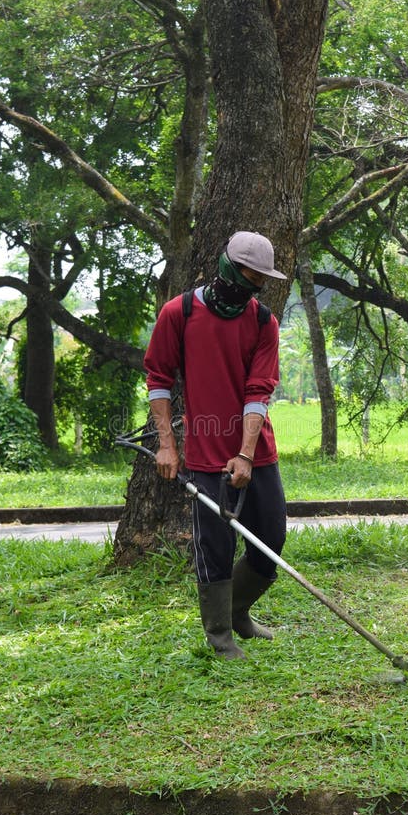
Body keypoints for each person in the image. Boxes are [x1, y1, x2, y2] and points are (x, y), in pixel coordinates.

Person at [143, 230, 287, 660]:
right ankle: (220, 635)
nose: (254, 285)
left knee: (270, 542)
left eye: (262, 279)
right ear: (227, 266)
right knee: (215, 547)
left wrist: (245, 454)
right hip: (204, 454)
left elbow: (259, 390)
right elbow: (158, 380)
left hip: (255, 451)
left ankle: (239, 609)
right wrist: (167, 445)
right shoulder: (179, 313)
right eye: (249, 274)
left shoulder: (263, 322)